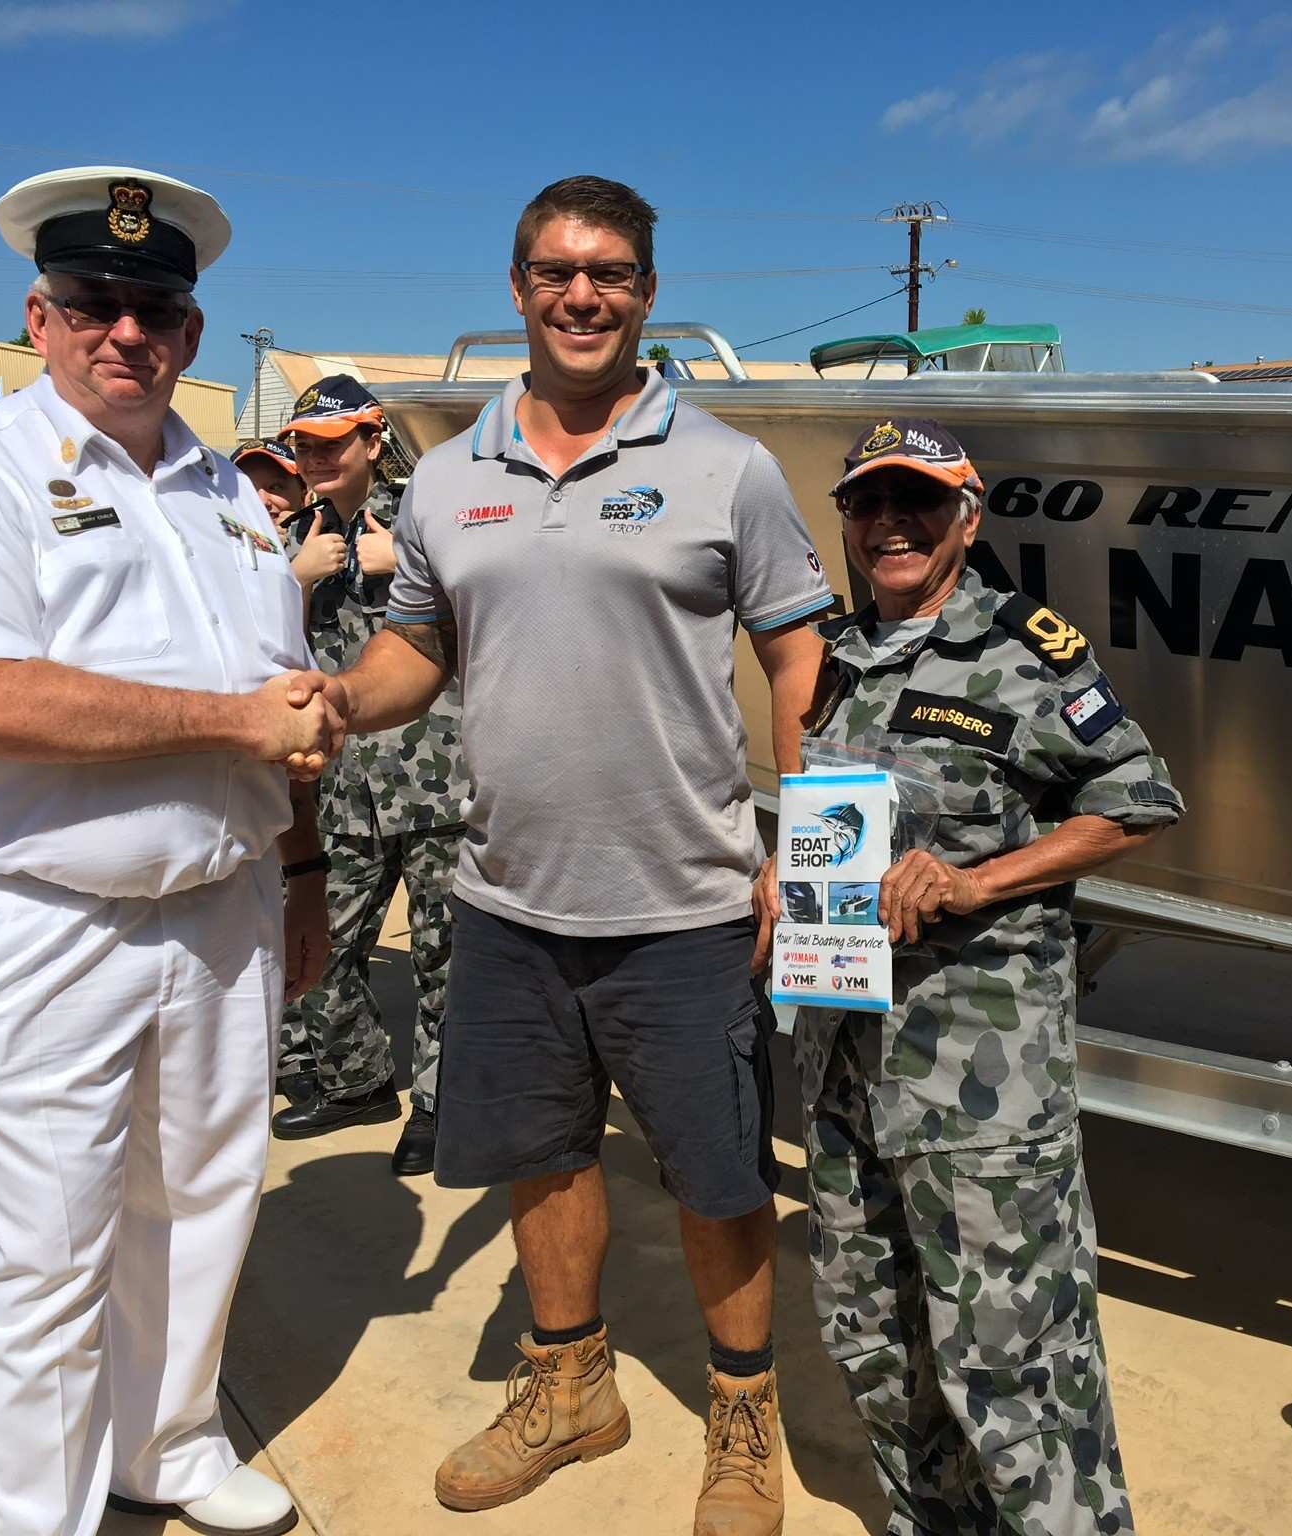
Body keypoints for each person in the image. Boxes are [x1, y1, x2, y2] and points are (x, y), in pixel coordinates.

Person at [329, 175, 832, 1533]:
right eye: (555, 271)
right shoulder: (447, 478)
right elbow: (413, 653)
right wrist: (332, 702)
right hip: (505, 899)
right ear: (517, 290)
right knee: (543, 1159)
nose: (582, 294)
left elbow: (799, 652)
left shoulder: (727, 467)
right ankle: (573, 1391)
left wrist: (809, 844)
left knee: (720, 1177)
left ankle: (741, 1412)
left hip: (684, 903)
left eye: (609, 272)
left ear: (648, 293)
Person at [0, 166, 343, 1536]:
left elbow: (290, 705)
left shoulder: (232, 497)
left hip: (222, 914)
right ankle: (29, 1521)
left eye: (154, 308)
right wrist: (227, 722)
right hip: (39, 925)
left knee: (200, 1206)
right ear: (40, 314)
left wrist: (302, 877)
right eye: (94, 304)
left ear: (191, 332)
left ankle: (171, 1445)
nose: (124, 332)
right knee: (45, 1254)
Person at [765, 417, 1185, 1536]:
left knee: (1011, 1362)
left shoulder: (1021, 651)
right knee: (872, 1330)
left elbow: (1135, 801)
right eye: (866, 504)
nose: (889, 523)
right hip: (846, 1062)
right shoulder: (840, 660)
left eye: (915, 501)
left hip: (976, 1083)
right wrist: (780, 885)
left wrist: (975, 881)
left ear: (967, 513)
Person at [268, 376, 466, 1173]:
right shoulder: (300, 533)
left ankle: (443, 1106)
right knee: (319, 945)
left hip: (437, 779)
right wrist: (297, 575)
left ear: (373, 442)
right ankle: (357, 1080)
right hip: (346, 787)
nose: (315, 457)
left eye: (333, 442)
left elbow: (498, 603)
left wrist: (415, 559)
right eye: (304, 445)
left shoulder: (430, 510)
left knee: (443, 957)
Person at [232, 437, 308, 527]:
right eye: (248, 489)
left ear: (303, 496)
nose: (262, 502)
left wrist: (296, 538)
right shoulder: (215, 537)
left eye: (275, 487)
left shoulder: (326, 536)